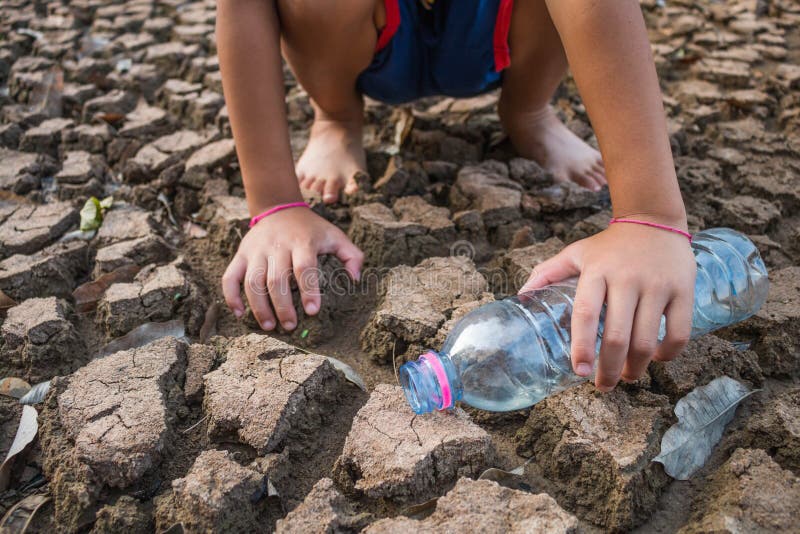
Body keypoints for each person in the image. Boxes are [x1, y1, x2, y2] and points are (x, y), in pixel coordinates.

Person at [217, 0, 696, 393]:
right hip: (362, 39)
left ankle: (528, 110)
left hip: (497, 29)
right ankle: (337, 117)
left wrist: (648, 214)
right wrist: (274, 204)